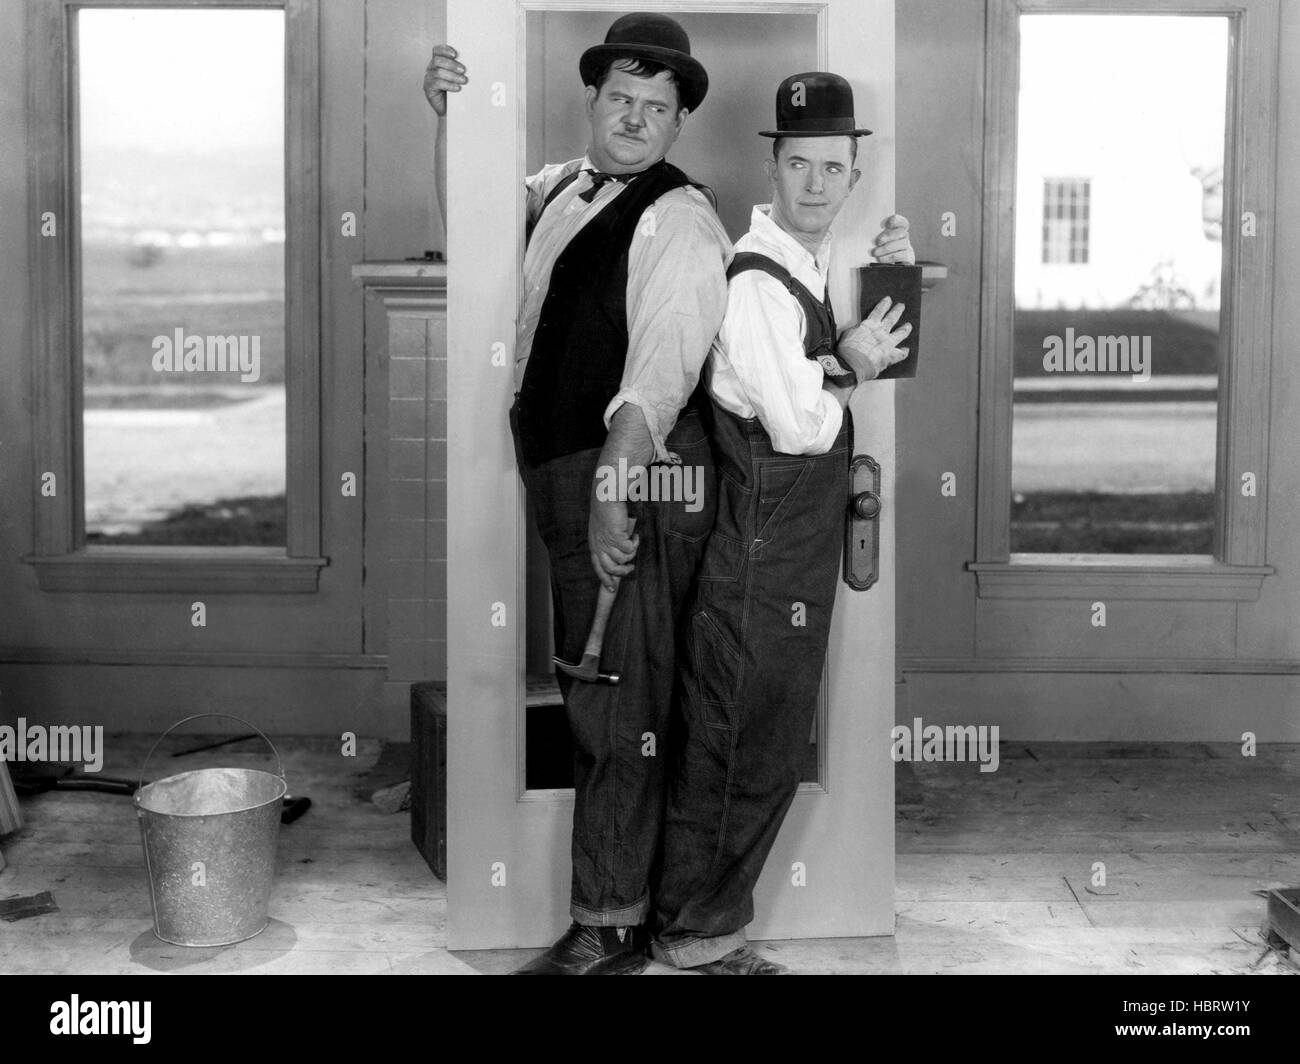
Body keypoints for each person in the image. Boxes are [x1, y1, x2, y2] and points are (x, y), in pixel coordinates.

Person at [425, 12, 731, 975]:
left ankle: (608, 927)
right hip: (568, 474)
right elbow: (471, 225)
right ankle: (622, 912)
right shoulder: (561, 189)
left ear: (679, 122)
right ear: (594, 102)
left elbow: (660, 372)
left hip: (628, 479)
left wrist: (611, 487)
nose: (637, 118)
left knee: (615, 702)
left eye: (658, 106)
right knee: (598, 687)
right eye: (621, 99)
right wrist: (447, 113)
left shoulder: (679, 216)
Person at [649, 72, 914, 974]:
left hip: (785, 559)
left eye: (832, 168)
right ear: (773, 162)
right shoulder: (759, 279)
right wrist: (852, 367)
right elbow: (802, 422)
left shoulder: (802, 265)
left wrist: (893, 272)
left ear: (852, 171)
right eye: (798, 164)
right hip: (758, 558)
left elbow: (853, 346)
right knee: (735, 747)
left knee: (755, 741)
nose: (814, 184)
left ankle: (700, 927)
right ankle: (693, 935)